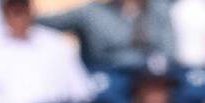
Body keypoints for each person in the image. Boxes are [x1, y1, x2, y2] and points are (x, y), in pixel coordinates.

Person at [38, 0, 174, 70]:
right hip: (107, 76)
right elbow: (50, 22)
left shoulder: (159, 9)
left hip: (149, 77)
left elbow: (168, 50)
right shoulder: (91, 13)